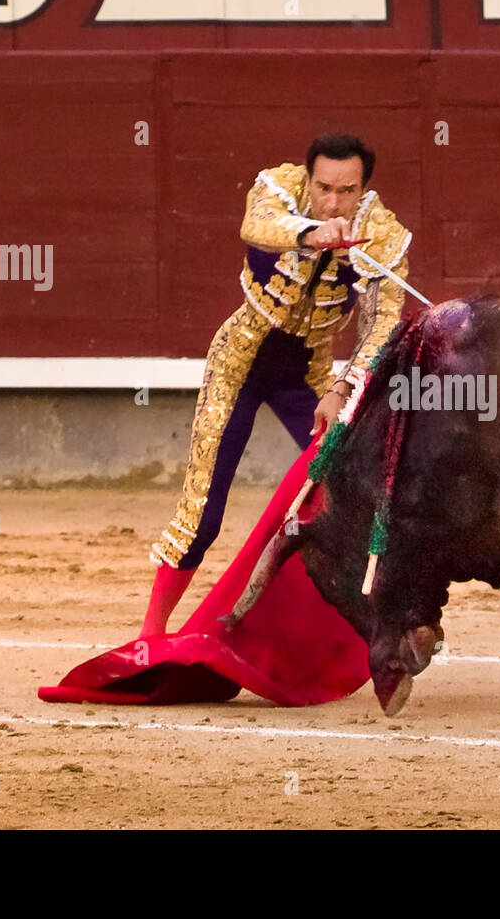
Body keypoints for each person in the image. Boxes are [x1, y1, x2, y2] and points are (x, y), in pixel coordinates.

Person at [139, 132, 411, 637]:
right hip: (240, 360)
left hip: (311, 374)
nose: (334, 200)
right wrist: (313, 234)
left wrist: (343, 389)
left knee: (351, 490)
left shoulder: (383, 235)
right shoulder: (277, 187)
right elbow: (258, 225)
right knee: (204, 509)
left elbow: (382, 324)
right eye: (324, 187)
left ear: (364, 190)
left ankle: (356, 630)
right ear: (307, 179)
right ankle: (150, 636)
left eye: (347, 191)